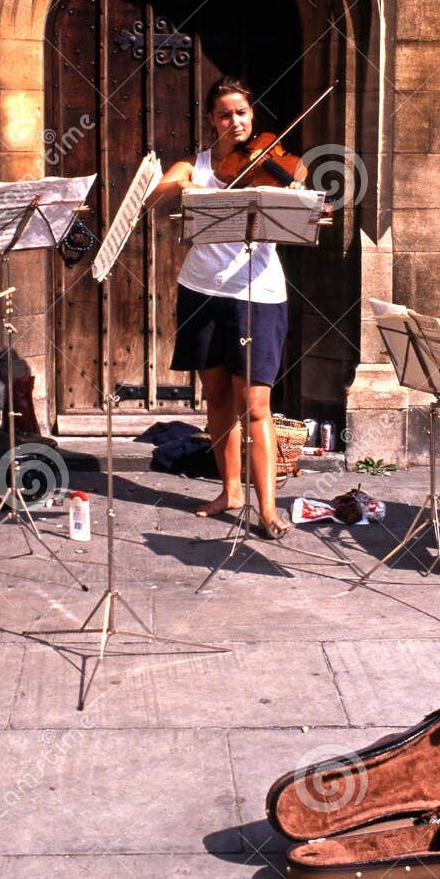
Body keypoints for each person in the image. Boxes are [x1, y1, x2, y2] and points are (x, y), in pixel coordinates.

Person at [147, 76, 294, 540]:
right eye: (225, 114)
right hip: (201, 290)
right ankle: (230, 491)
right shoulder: (196, 164)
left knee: (255, 406)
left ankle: (267, 509)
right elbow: (155, 197)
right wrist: (183, 185)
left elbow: (303, 199)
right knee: (217, 400)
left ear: (253, 117)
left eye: (242, 113)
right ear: (212, 119)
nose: (235, 121)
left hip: (258, 294)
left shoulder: (277, 161)